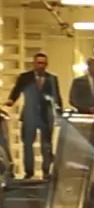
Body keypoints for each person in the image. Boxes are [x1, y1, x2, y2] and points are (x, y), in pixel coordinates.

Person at [8, 53, 60, 181]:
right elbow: (16, 91)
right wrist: (10, 101)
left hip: (46, 116)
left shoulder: (51, 79)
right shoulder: (25, 77)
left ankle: (46, 171)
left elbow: (56, 97)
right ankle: (29, 171)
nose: (41, 66)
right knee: (27, 144)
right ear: (34, 63)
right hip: (29, 115)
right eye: (38, 63)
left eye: (43, 63)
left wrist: (60, 112)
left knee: (46, 145)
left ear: (46, 64)